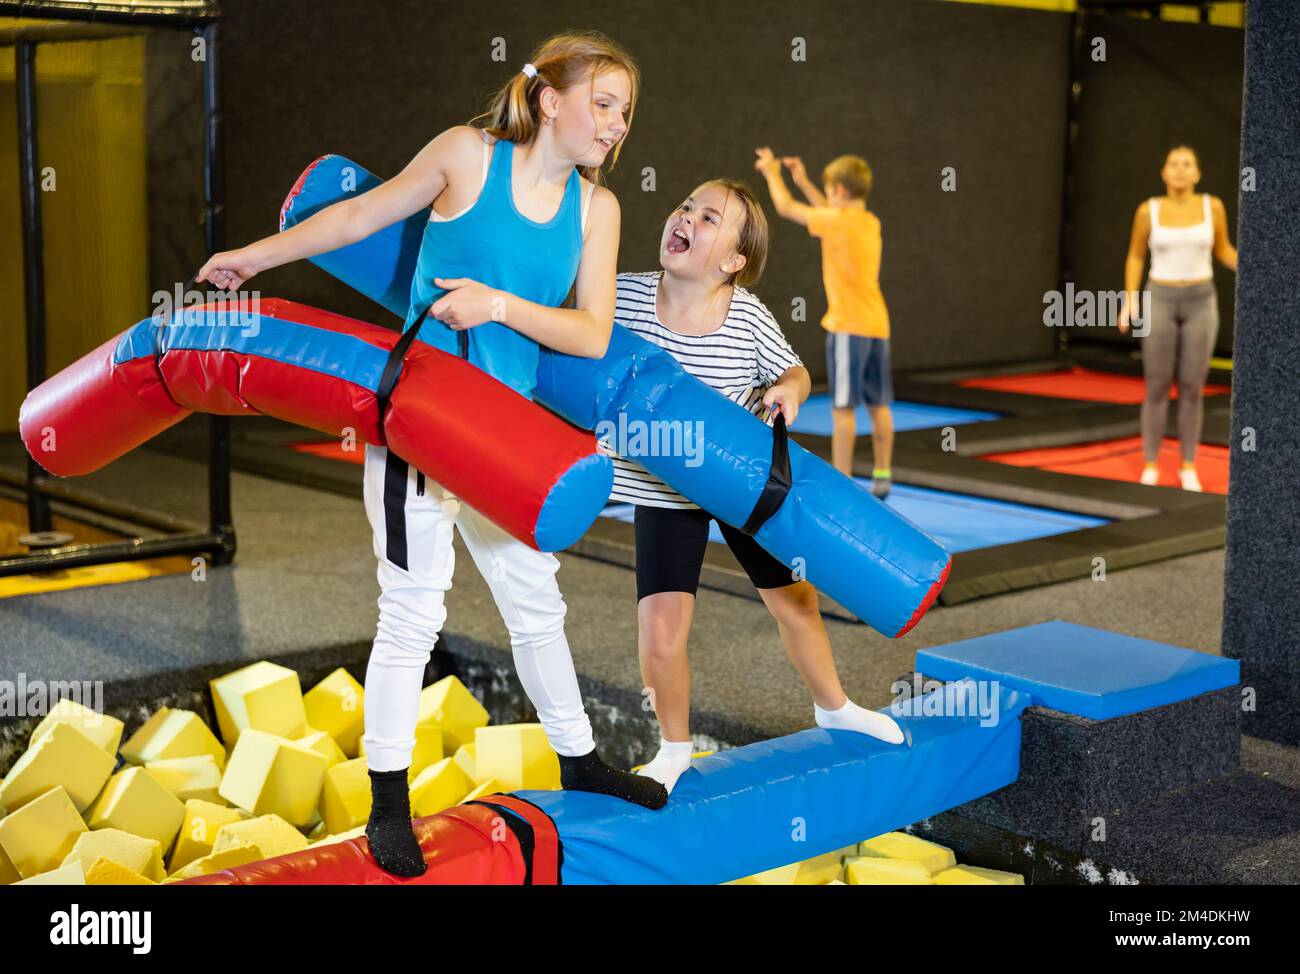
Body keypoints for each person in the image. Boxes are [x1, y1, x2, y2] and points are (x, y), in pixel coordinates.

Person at [196, 31, 667, 878]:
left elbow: (592, 331)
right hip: (421, 412)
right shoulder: (466, 155)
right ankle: (387, 804)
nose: (614, 126)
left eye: (624, 113)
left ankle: (580, 760)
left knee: (536, 602)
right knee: (413, 608)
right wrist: (251, 260)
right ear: (550, 99)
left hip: (505, 429)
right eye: (602, 104)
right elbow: (353, 217)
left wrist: (497, 303)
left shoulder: (598, 210)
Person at [608, 178, 906, 797]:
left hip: (744, 482)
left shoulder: (745, 313)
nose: (686, 217)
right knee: (661, 629)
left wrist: (790, 393)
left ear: (733, 261)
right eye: (686, 205)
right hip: (665, 491)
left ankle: (833, 705)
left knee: (795, 603)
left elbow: (794, 371)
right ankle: (673, 748)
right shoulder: (624, 296)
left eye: (709, 217)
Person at [754, 147, 894, 497]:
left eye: (830, 190)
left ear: (841, 192)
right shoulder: (867, 222)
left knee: (843, 407)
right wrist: (802, 180)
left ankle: (843, 481)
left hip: (848, 327)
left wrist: (772, 172)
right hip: (878, 324)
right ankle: (882, 473)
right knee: (879, 407)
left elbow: (786, 208)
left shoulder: (836, 222)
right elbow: (828, 209)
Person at [1118, 144, 1237, 491]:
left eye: (1188, 164)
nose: (1181, 169)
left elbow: (1223, 249)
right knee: (1156, 385)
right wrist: (1129, 301)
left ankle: (1188, 465)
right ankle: (1151, 463)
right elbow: (1135, 256)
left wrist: (1248, 264)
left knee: (1191, 387)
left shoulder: (1211, 206)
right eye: (1174, 163)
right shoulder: (1148, 211)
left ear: (1198, 173)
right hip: (1160, 298)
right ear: (1164, 172)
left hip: (1200, 299)